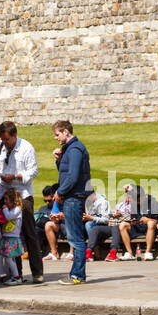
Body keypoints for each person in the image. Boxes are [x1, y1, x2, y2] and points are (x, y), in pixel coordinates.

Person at [0, 120, 44, 284]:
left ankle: (37, 272)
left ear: (14, 135)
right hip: (4, 193)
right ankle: (15, 273)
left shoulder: (26, 148)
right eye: (2, 140)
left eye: (7, 140)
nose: (4, 143)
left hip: (22, 194)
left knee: (29, 234)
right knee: (9, 235)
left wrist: (16, 176)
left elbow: (34, 171)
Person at [52, 119, 91, 284]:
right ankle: (76, 274)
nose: (56, 138)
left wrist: (60, 191)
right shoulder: (69, 149)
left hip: (74, 198)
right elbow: (66, 172)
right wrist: (59, 160)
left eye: (57, 134)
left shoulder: (75, 148)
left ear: (66, 131)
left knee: (76, 238)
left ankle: (78, 275)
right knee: (75, 237)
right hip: (72, 197)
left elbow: (73, 176)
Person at [115, 183, 158, 260]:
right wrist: (133, 221)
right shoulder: (135, 203)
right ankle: (130, 253)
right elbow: (134, 217)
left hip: (151, 228)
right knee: (122, 225)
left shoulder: (154, 203)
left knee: (150, 223)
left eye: (138, 200)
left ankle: (148, 252)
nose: (137, 202)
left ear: (143, 196)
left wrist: (148, 220)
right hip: (138, 226)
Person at [0, 188, 26, 284]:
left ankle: (16, 277)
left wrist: (5, 209)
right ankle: (14, 276)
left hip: (12, 238)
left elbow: (9, 217)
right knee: (9, 258)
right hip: (7, 237)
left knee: (8, 258)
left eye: (6, 199)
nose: (4, 201)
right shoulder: (11, 209)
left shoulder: (17, 209)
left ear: (13, 200)